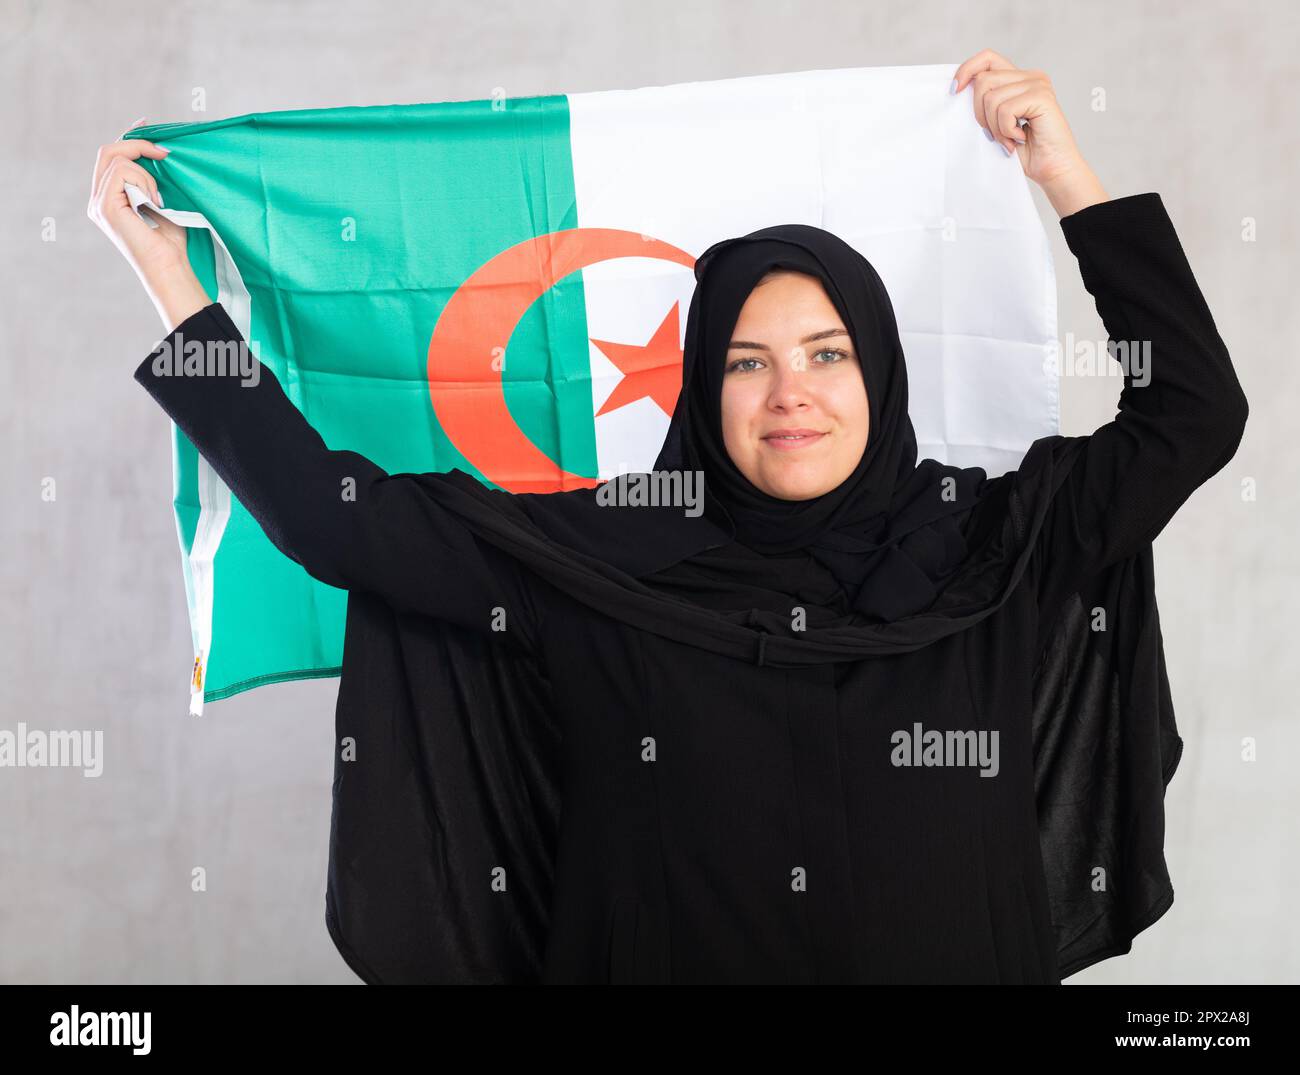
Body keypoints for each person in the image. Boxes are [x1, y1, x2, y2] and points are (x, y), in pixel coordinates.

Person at [90, 50, 1248, 984]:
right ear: (701, 389)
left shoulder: (994, 541)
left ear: (878, 374)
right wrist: (169, 284)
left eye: (826, 354)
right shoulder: (593, 559)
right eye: (745, 362)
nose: (789, 393)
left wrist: (1065, 174)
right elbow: (328, 517)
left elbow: (1193, 412)